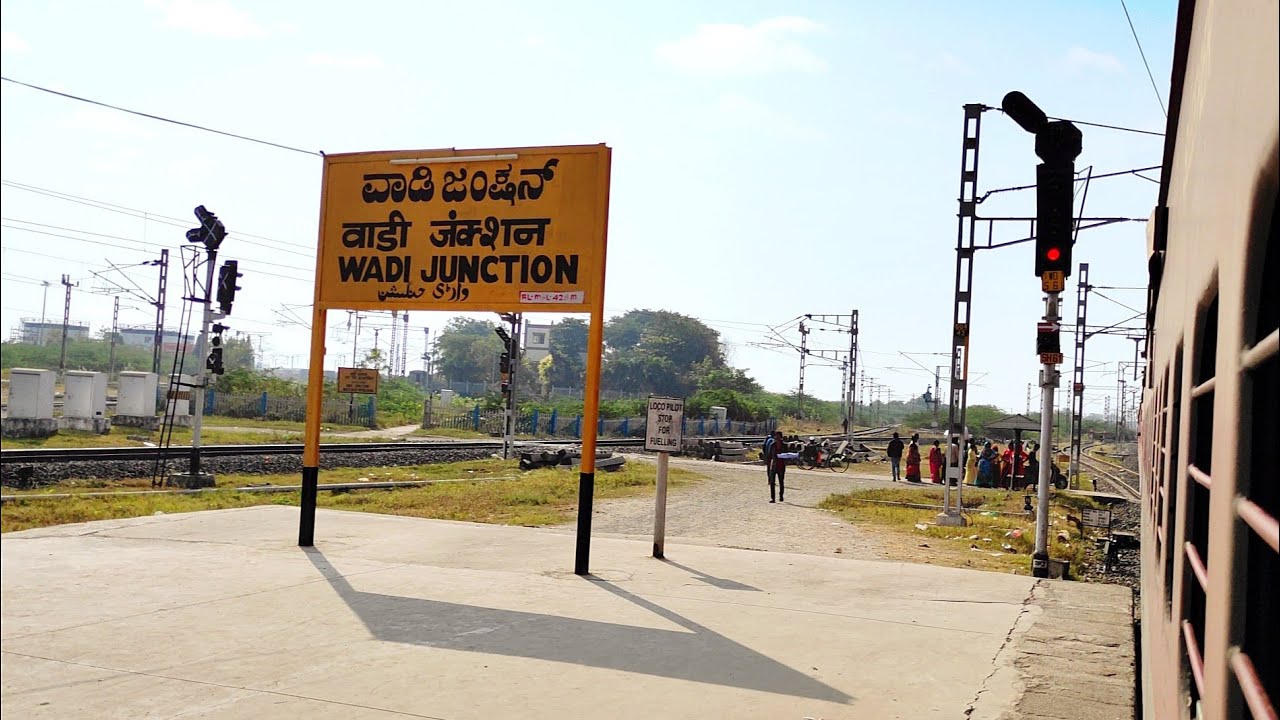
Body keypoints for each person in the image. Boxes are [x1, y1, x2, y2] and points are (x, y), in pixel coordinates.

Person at [763, 430, 787, 503]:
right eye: (775, 436)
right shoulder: (772, 445)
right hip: (773, 465)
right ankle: (773, 498)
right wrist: (768, 463)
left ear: (781, 437)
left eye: (778, 436)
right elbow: (769, 455)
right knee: (772, 482)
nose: (776, 437)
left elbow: (787, 455)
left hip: (781, 466)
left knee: (781, 482)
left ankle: (781, 496)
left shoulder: (784, 446)